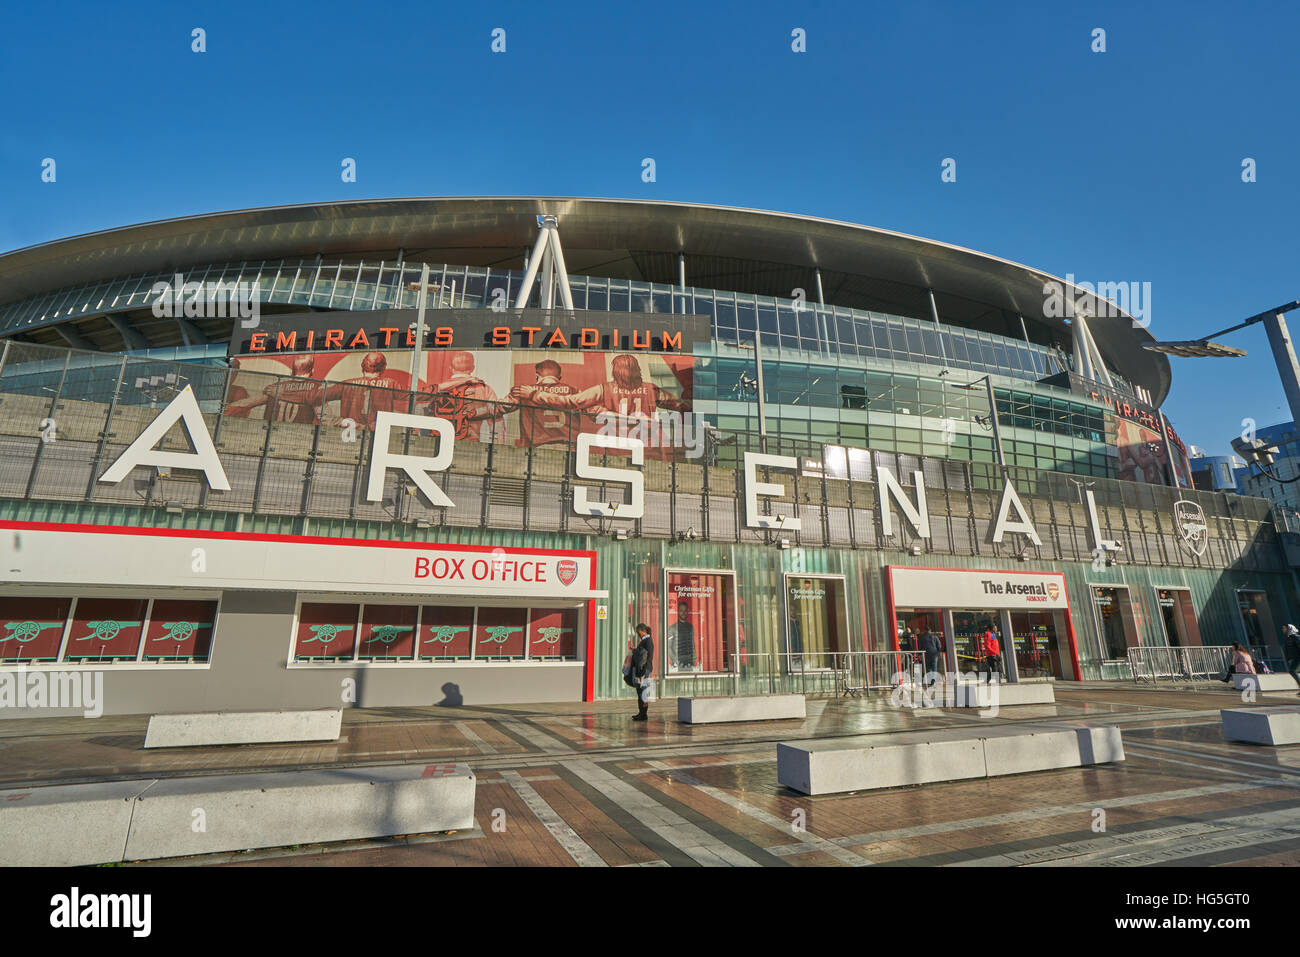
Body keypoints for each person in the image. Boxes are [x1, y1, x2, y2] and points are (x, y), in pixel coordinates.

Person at [627, 623, 654, 721]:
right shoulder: (644, 640)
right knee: (640, 690)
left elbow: (648, 656)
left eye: (639, 632)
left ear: (643, 631)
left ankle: (643, 714)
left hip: (644, 669)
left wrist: (643, 669)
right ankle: (641, 713)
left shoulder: (648, 641)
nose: (638, 634)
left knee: (643, 691)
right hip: (641, 669)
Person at [1285, 625, 1300, 695]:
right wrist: (1289, 658)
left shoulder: (1295, 637)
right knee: (1295, 672)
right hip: (1294, 658)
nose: (1283, 629)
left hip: (1297, 658)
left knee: (1293, 671)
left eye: (1284, 628)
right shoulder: (1289, 638)